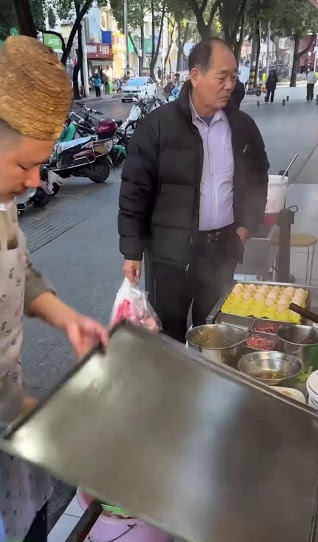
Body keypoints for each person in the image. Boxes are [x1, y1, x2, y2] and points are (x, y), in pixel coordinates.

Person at [0, 36, 110, 542]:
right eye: (26, 167)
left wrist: (66, 319)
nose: (37, 181)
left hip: (6, 400)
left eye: (43, 163)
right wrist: (53, 422)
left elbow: (18, 268)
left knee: (31, 520)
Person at [118, 39, 269, 343]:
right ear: (196, 75)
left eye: (234, 77)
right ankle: (172, 388)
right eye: (222, 76)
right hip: (172, 255)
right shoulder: (157, 126)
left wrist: (245, 228)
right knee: (169, 333)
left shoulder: (242, 126)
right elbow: (135, 190)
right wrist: (132, 252)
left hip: (221, 250)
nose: (229, 85)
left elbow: (258, 177)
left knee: (214, 331)